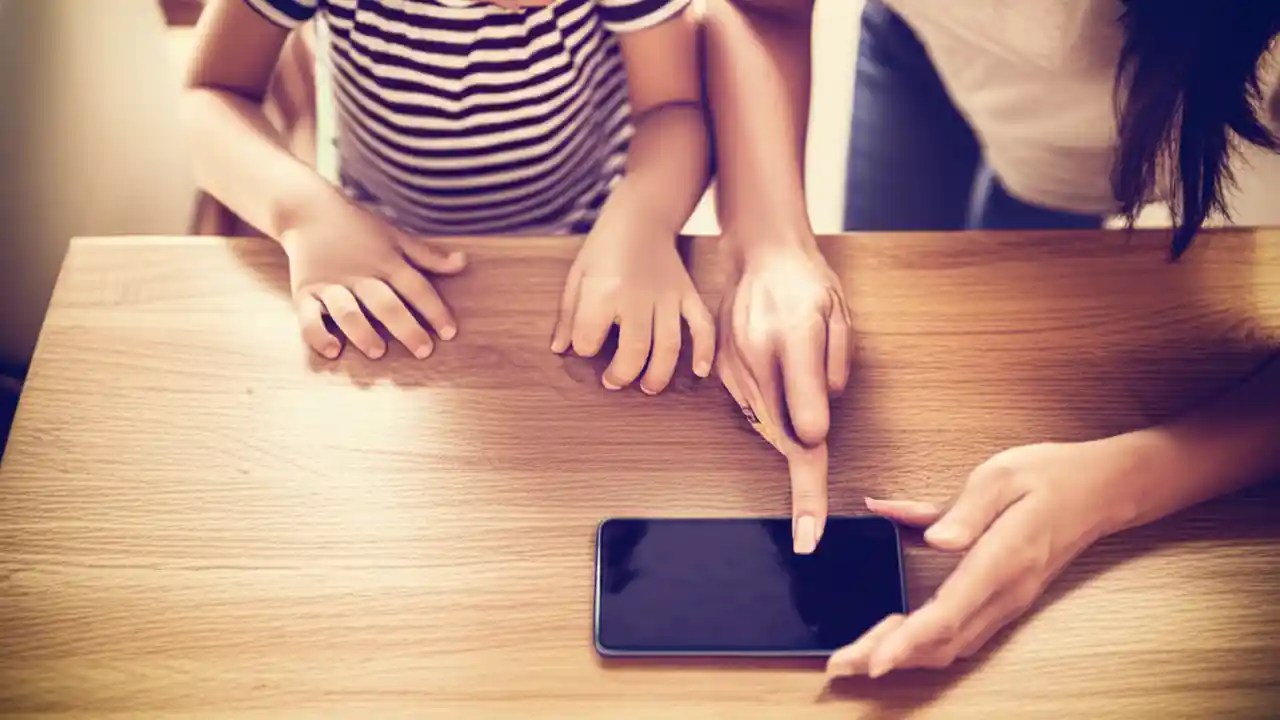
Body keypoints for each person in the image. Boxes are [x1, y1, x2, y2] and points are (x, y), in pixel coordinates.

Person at [703, 0, 1280, 674]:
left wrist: (1121, 482)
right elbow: (763, 9)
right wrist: (773, 246)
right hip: (919, 42)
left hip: (1092, 158)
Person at [184, 0, 716, 396]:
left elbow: (673, 107)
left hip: (594, 241)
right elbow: (209, 98)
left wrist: (645, 221)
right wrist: (305, 214)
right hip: (380, 254)